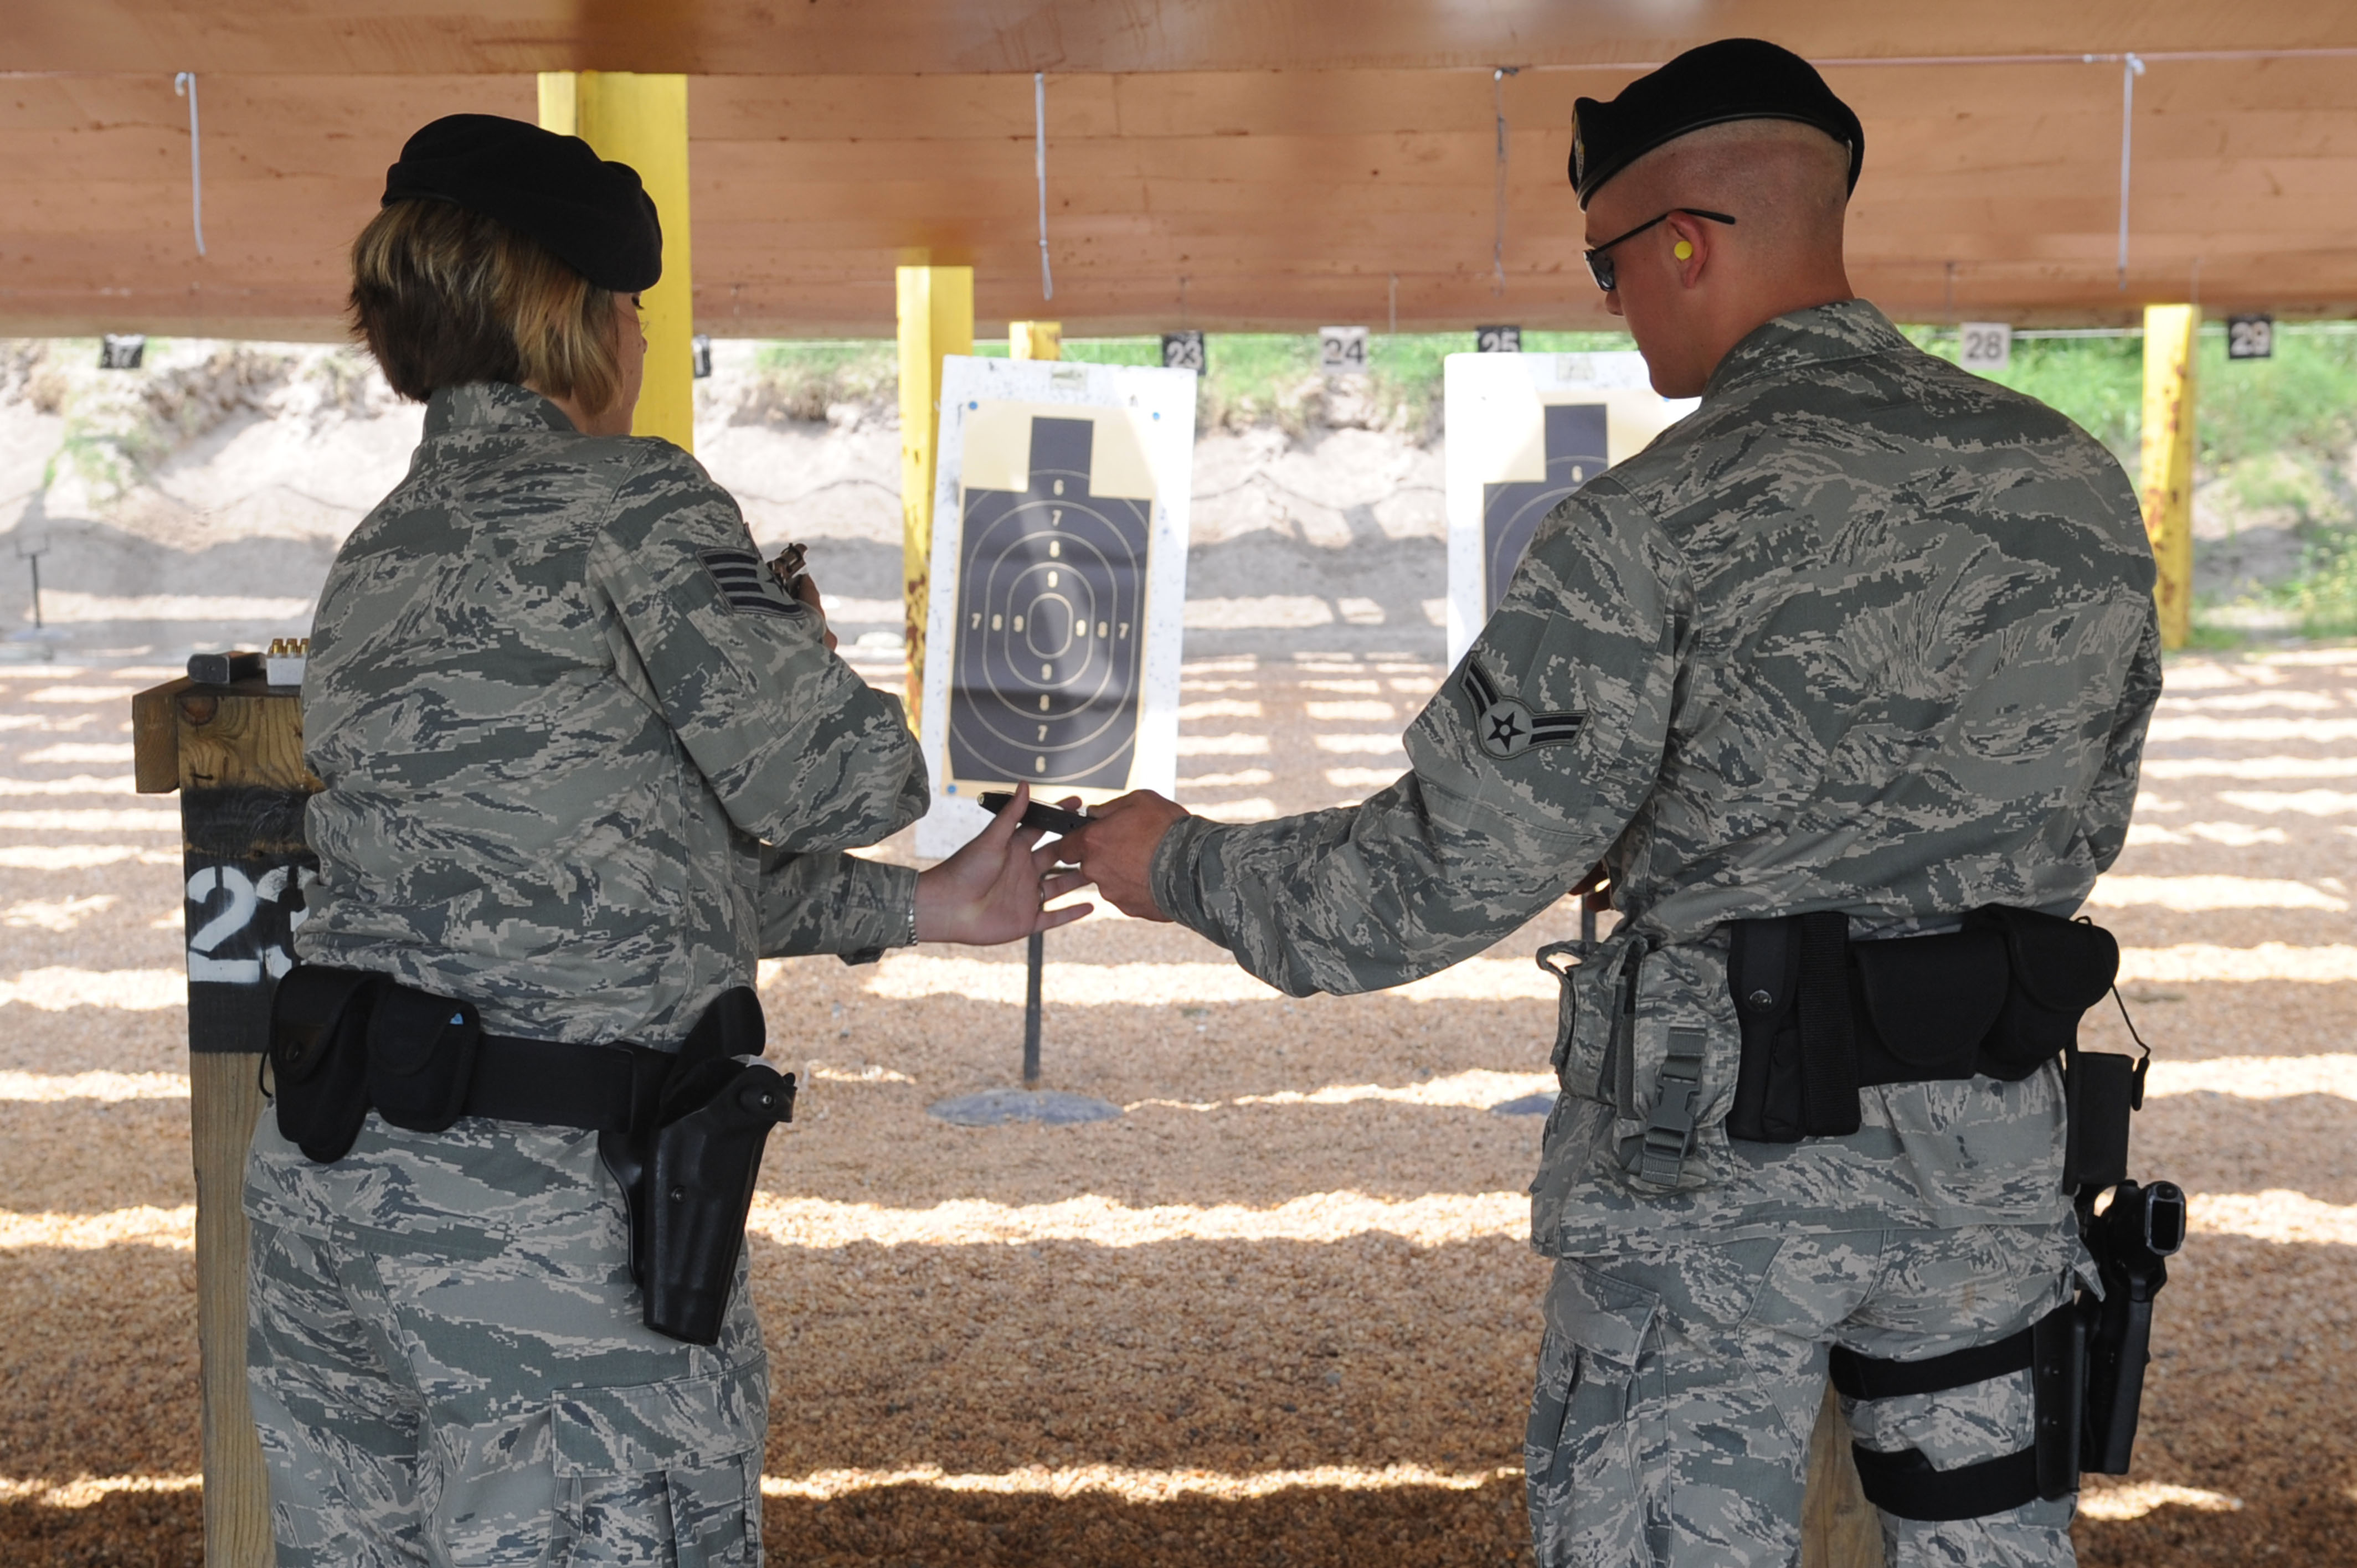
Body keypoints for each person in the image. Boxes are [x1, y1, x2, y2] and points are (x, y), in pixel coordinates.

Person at [1071, 39, 2160, 1568]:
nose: (1612, 302)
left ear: (1688, 243)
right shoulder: (2073, 481)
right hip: (1989, 1163)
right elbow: (2088, 816)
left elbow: (1439, 873)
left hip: (1718, 1179)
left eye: (1608, 267)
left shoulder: (1650, 522)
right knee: (1980, 1545)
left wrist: (1178, 863)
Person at [244, 114, 1088, 1566]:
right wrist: (791, 637)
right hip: (540, 1244)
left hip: (337, 1206)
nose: (637, 342)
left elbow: (584, 873)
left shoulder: (379, 551)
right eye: (629, 309)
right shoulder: (633, 502)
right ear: (584, 319)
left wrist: (925, 914)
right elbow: (846, 775)